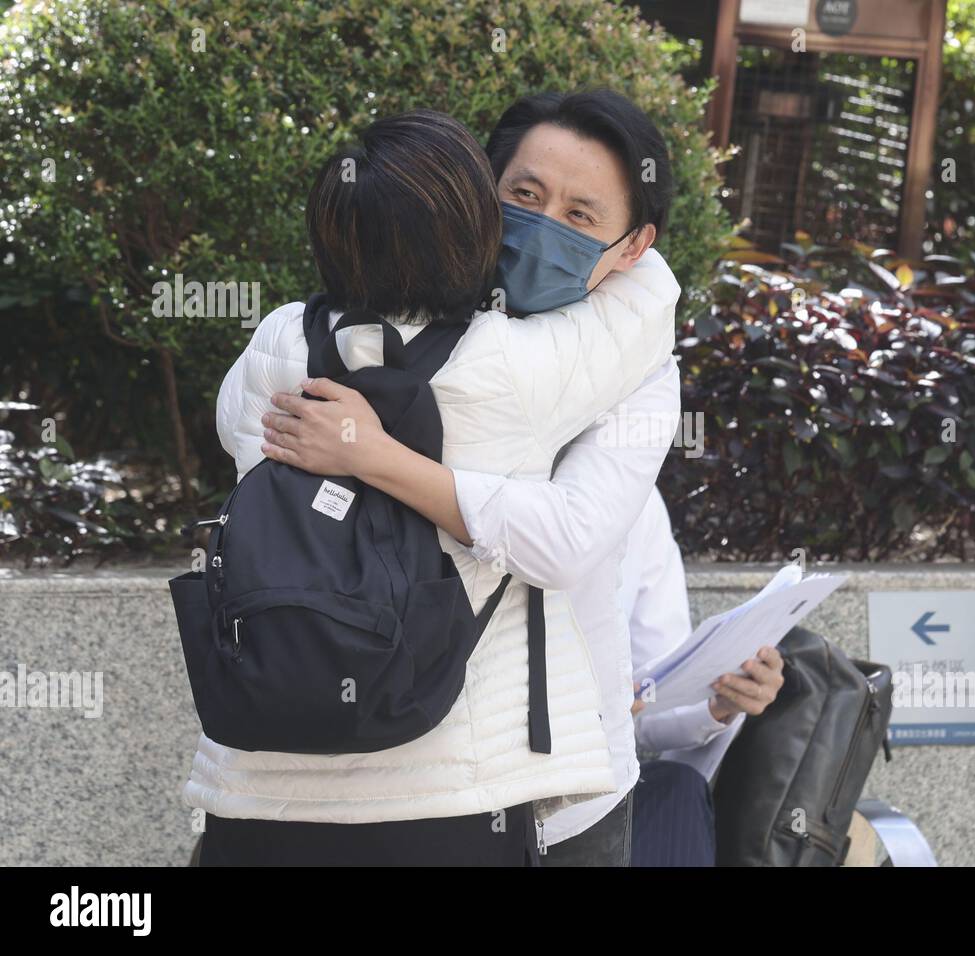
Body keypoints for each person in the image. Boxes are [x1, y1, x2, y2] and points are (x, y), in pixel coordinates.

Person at [184, 108, 680, 865]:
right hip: (464, 783)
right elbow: (641, 316)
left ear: (633, 242)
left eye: (580, 216)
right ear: (481, 197)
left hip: (265, 758)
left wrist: (370, 453)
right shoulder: (529, 365)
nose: (543, 227)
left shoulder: (285, 337)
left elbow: (569, 540)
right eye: (523, 195)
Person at [623, 488, 786, 866]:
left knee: (676, 789)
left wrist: (721, 703)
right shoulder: (470, 485)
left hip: (596, 787)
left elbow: (653, 698)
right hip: (491, 786)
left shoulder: (637, 497)